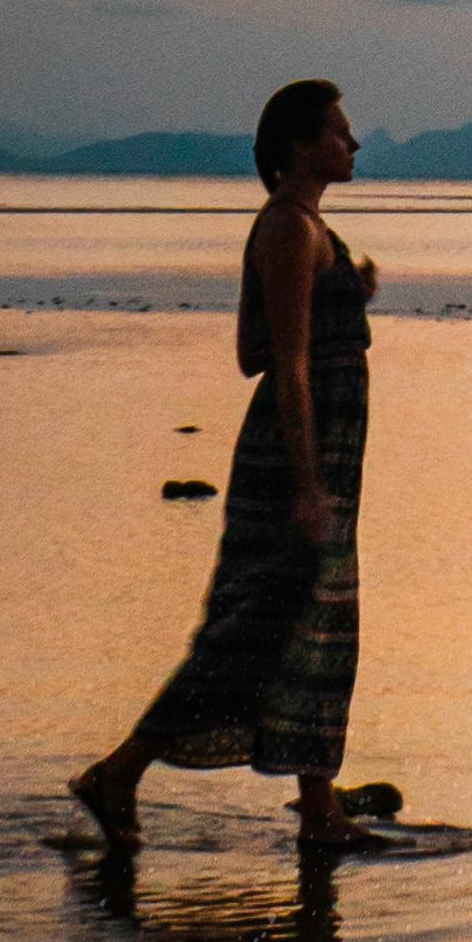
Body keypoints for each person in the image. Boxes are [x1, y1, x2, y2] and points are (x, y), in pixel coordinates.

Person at [72, 78, 396, 849]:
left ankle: (320, 812)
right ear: (300, 144)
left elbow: (255, 347)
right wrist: (309, 483)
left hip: (323, 460)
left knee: (316, 623)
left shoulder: (308, 232)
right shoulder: (289, 228)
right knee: (251, 630)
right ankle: (118, 773)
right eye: (339, 134)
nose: (352, 147)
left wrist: (347, 296)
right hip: (296, 463)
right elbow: (281, 367)